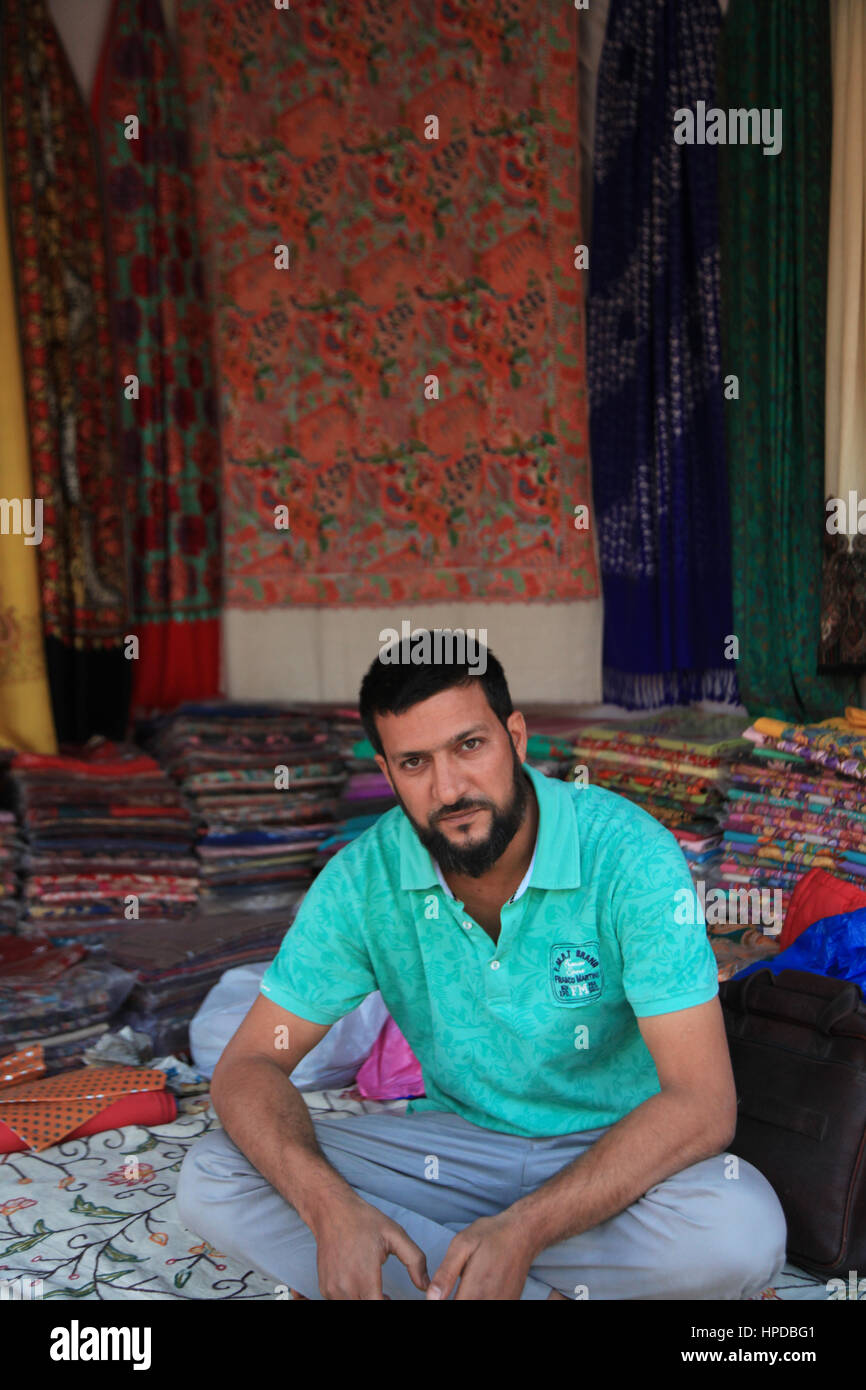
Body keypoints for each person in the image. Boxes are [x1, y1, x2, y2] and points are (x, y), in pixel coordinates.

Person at [177, 632, 787, 1300]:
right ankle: (495, 1279)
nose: (449, 787)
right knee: (214, 1171)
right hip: (454, 1152)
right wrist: (330, 1209)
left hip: (616, 1158)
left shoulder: (629, 854)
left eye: (470, 746)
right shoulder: (363, 879)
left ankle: (459, 1273)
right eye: (415, 762)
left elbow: (701, 1105)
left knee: (741, 1231)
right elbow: (249, 1065)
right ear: (386, 773)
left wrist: (524, 1229)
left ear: (516, 738)